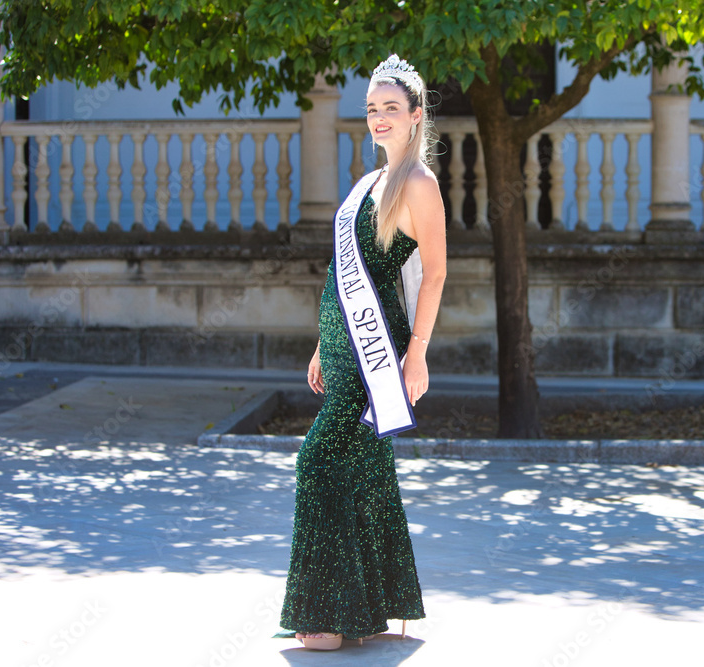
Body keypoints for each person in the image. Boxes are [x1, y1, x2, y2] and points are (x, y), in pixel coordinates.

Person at [277, 54, 447, 651]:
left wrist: (418, 353)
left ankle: (324, 616)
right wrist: (322, 343)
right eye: (372, 108)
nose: (378, 118)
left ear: (415, 116)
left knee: (318, 461)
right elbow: (337, 274)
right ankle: (372, 606)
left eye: (390, 109)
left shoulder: (419, 185)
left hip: (377, 350)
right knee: (365, 470)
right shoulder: (366, 184)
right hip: (342, 348)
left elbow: (435, 275)